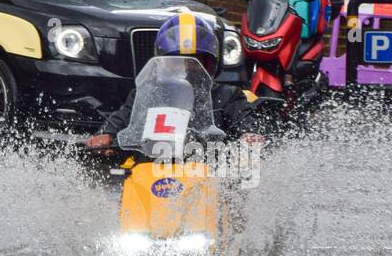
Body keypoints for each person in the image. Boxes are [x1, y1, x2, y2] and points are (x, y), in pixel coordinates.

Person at [86, 13, 263, 152]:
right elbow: (121, 120)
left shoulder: (228, 96)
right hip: (148, 170)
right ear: (161, 61)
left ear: (212, 63)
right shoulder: (147, 92)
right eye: (176, 61)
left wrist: (249, 135)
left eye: (197, 61)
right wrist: (105, 136)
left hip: (210, 173)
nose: (186, 68)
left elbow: (247, 125)